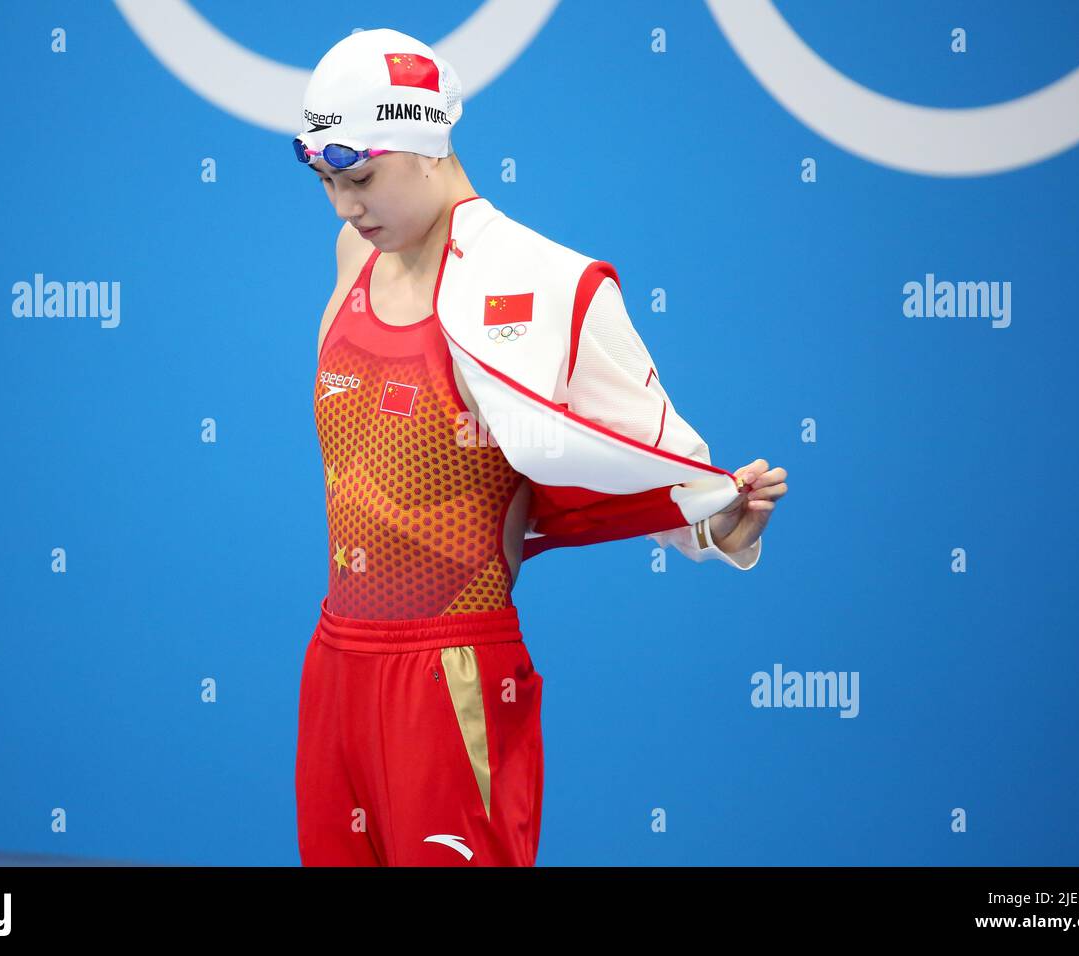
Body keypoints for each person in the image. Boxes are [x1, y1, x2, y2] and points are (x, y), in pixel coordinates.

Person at [293, 28, 787, 866]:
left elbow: (654, 458)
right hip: (335, 663)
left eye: (364, 177)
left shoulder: (548, 284)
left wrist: (718, 525)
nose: (346, 206)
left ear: (427, 144)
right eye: (329, 182)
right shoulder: (352, 257)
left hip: (452, 675)